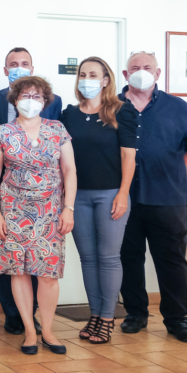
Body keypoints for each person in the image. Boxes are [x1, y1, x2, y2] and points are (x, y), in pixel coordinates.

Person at [0, 75, 76, 355]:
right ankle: (29, 331)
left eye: (37, 96)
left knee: (48, 274)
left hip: (50, 212)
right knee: (20, 272)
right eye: (25, 96)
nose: (31, 101)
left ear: (45, 101)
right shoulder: (2, 132)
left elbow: (70, 170)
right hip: (13, 211)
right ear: (15, 100)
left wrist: (68, 208)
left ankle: (47, 330)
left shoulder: (57, 129)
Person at [118, 51, 187, 343]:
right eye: (135, 68)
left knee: (172, 260)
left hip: (167, 197)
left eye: (147, 67)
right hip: (124, 198)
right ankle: (135, 314)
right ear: (126, 75)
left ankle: (178, 319)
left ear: (158, 72)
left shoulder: (177, 107)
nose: (142, 72)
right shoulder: (112, 106)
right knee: (128, 258)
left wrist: (168, 169)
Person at [59, 58, 137, 344]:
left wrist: (123, 193)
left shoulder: (121, 111)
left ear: (106, 80)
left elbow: (129, 156)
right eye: (83, 74)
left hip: (110, 195)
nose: (87, 79)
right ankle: (94, 315)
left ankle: (107, 317)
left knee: (108, 258)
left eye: (93, 74)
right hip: (77, 197)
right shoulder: (69, 114)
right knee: (88, 259)